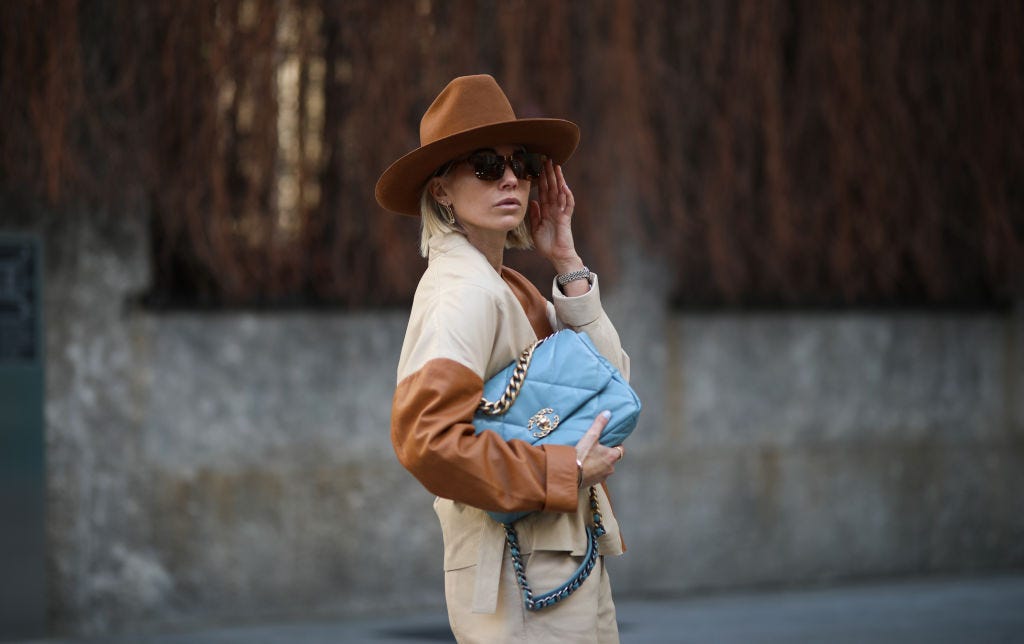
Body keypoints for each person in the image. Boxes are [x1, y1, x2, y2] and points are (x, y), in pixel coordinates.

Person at [376, 74, 631, 643]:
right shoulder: (461, 290)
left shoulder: (504, 284)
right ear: (441, 190)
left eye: (523, 164)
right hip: (523, 580)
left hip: (558, 565)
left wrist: (565, 260)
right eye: (487, 166)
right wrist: (560, 471)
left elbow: (609, 385)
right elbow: (426, 440)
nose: (512, 178)